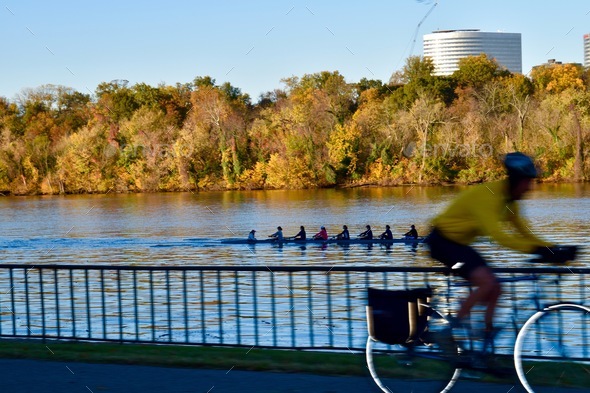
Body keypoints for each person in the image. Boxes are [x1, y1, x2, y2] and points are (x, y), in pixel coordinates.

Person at [426, 152, 577, 343]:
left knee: (496, 288)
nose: (530, 188)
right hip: (442, 242)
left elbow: (525, 233)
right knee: (487, 283)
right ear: (516, 181)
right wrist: (537, 250)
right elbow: (499, 237)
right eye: (528, 182)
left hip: (460, 244)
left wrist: (554, 248)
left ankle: (484, 341)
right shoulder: (489, 196)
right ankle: (448, 333)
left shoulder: (509, 203)